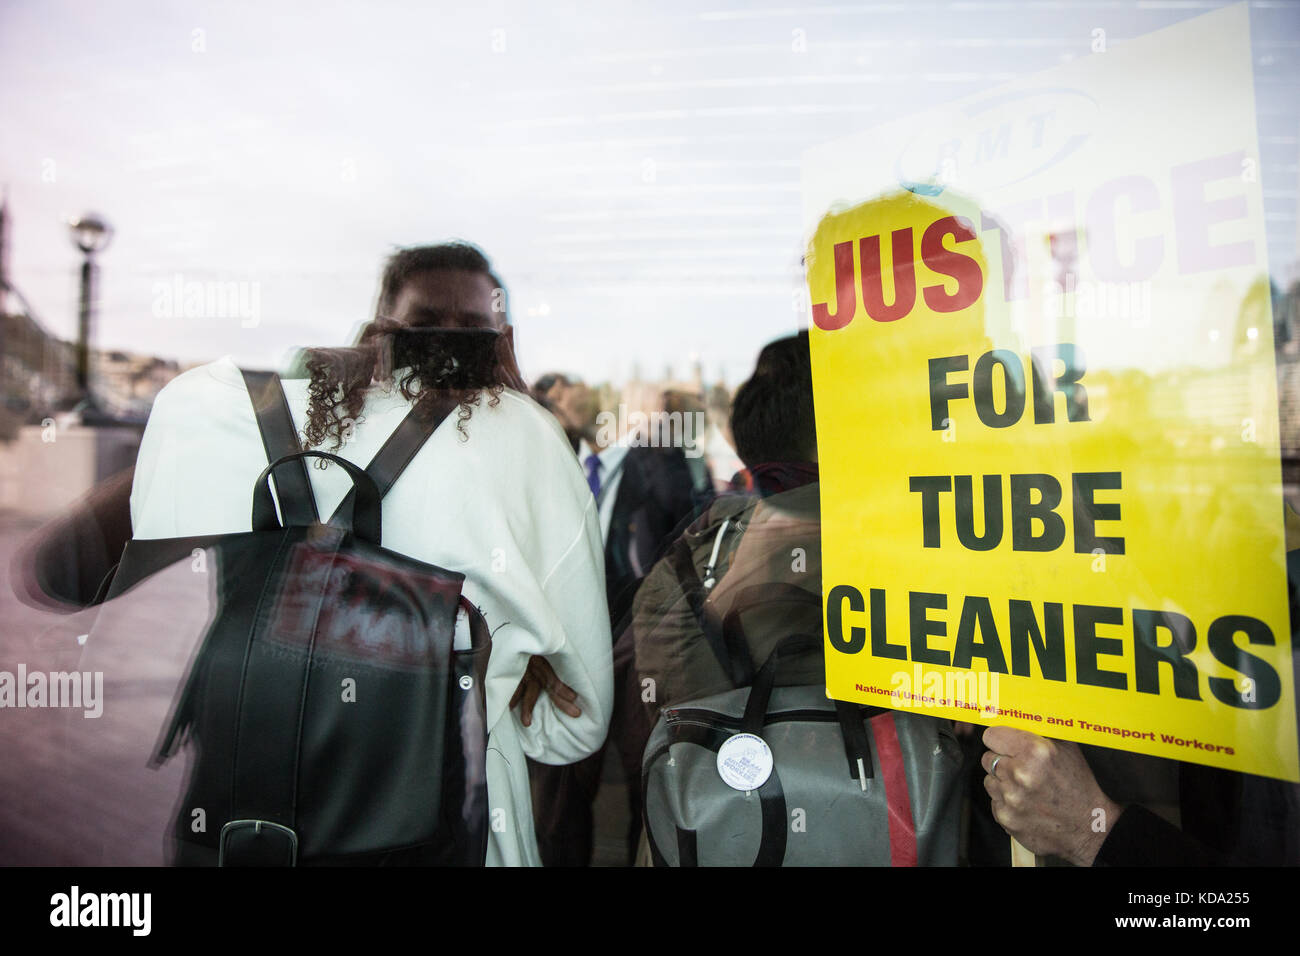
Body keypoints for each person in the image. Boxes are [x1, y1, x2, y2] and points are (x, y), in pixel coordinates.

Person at [128, 241, 613, 866]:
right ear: (507, 341)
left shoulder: (247, 418)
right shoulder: (527, 437)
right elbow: (574, 726)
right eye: (434, 327)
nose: (449, 343)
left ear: (377, 329)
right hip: (451, 827)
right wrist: (498, 663)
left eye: (468, 331)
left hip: (249, 828)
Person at [528, 374, 710, 865]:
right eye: (553, 395)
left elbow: (688, 543)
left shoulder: (657, 463)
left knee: (648, 791)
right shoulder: (553, 467)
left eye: (571, 389)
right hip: (562, 660)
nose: (561, 400)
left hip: (643, 655)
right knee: (560, 799)